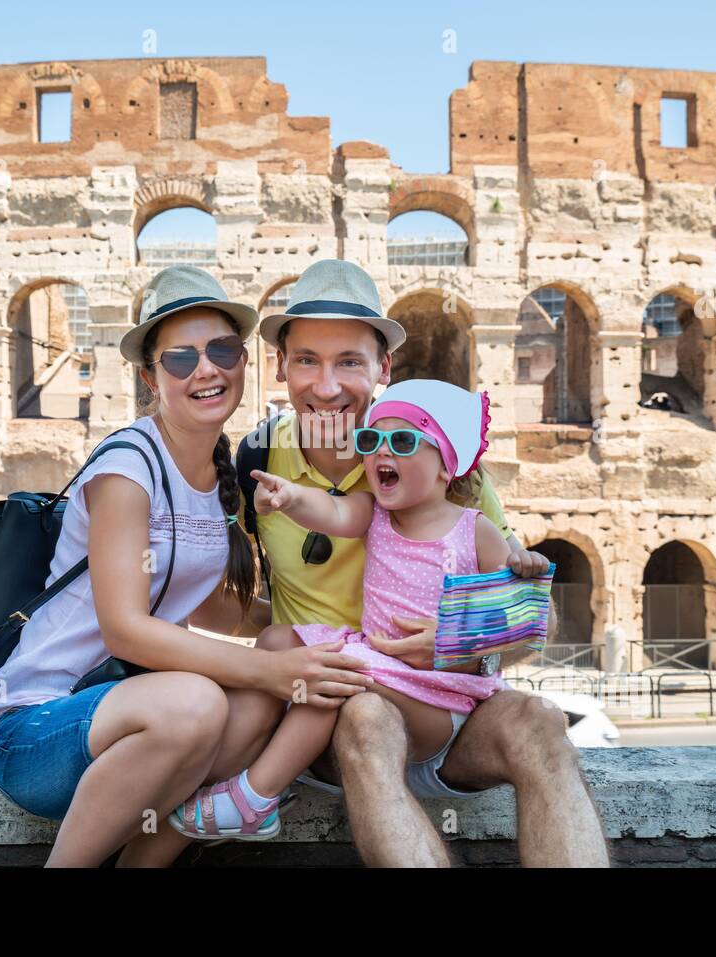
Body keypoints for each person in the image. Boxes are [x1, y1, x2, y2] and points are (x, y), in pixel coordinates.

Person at [0, 265, 371, 867]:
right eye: (181, 359)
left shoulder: (215, 471)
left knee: (260, 692)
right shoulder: (127, 470)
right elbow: (125, 630)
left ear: (244, 362)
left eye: (223, 351)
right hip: (39, 730)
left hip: (123, 722)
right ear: (150, 377)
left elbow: (207, 603)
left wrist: (320, 635)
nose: (206, 370)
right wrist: (271, 669)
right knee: (202, 700)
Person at [243, 259, 609, 867]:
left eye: (350, 362)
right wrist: (284, 653)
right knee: (364, 715)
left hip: (450, 712)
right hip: (340, 723)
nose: (327, 386)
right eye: (307, 359)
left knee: (541, 722)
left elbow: (522, 613)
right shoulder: (254, 462)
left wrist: (460, 640)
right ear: (280, 366)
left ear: (383, 368)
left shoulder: (451, 471)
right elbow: (221, 598)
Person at [168, 379, 523, 840]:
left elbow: (515, 611)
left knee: (327, 675)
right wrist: (292, 498)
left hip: (438, 692)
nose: (381, 453)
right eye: (370, 440)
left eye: (402, 441)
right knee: (278, 640)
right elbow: (332, 514)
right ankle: (246, 773)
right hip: (378, 663)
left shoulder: (474, 529)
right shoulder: (374, 513)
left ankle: (256, 795)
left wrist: (520, 574)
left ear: (446, 466)